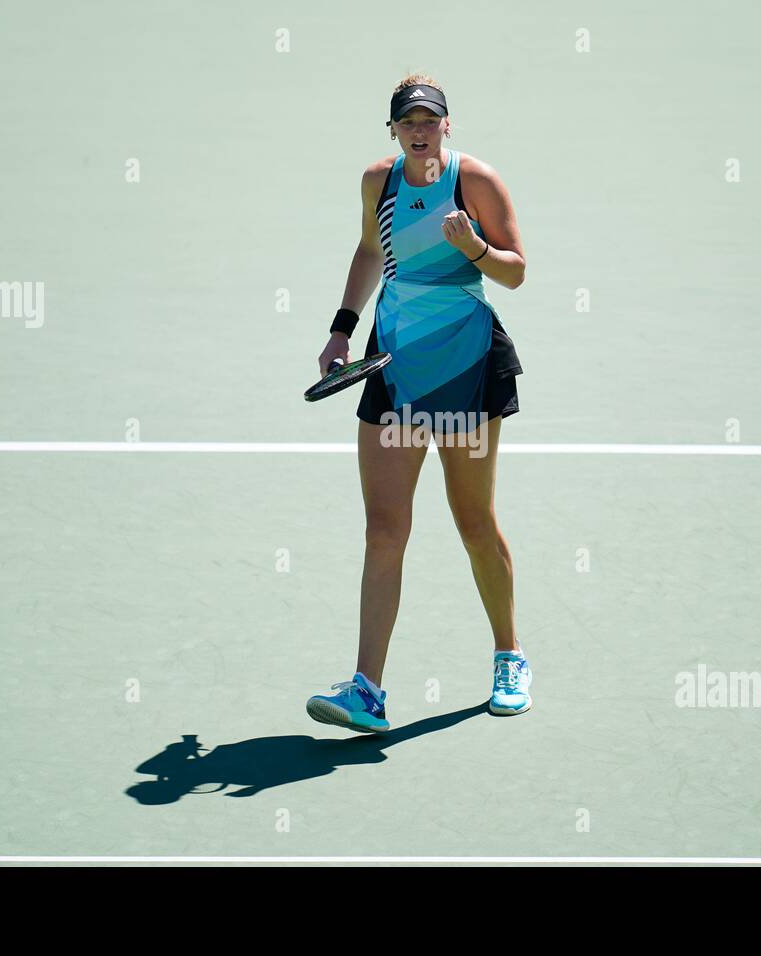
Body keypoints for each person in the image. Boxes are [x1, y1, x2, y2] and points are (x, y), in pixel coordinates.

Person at [306, 74, 532, 733]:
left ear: (447, 125)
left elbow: (517, 271)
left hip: (466, 366)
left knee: (474, 523)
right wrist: (342, 329)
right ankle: (367, 691)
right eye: (408, 121)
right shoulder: (379, 182)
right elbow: (372, 248)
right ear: (395, 129)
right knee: (384, 527)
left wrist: (476, 249)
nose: (420, 129)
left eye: (430, 119)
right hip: (394, 364)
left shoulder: (477, 183)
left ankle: (509, 655)